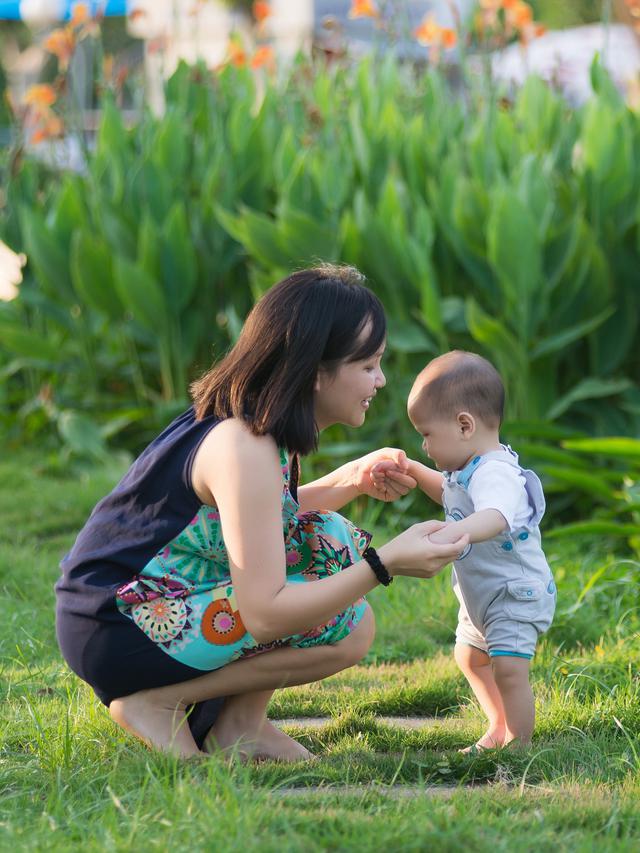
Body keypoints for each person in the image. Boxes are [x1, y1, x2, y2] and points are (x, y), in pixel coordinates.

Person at [55, 265, 468, 761]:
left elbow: (258, 520)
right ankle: (161, 702)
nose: (380, 380)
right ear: (317, 371)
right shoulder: (245, 446)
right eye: (368, 365)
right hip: (117, 622)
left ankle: (239, 727)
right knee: (331, 557)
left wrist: (349, 480)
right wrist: (384, 564)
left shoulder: (258, 426)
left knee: (337, 590)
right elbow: (266, 612)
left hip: (144, 607)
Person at [373, 350, 556, 749]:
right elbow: (451, 493)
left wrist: (451, 537)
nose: (423, 445)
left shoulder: (496, 471)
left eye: (426, 434)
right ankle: (498, 726)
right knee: (471, 658)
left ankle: (519, 745)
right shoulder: (467, 470)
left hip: (514, 593)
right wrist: (414, 472)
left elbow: (494, 516)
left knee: (508, 669)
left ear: (463, 425)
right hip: (482, 595)